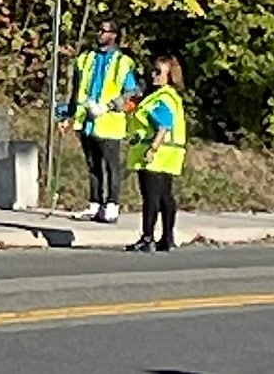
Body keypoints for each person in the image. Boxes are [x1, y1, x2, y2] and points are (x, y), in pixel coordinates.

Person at [56, 17, 139, 223]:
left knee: (111, 166)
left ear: (114, 35)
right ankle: (95, 203)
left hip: (109, 122)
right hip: (87, 121)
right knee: (92, 165)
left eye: (104, 31)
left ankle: (112, 204)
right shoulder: (85, 58)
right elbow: (77, 91)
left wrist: (109, 106)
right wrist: (68, 115)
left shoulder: (123, 62)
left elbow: (132, 92)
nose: (100, 34)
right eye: (99, 30)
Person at [125, 54, 187, 253]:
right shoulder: (171, 96)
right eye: (153, 70)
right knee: (165, 196)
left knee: (151, 197)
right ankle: (167, 238)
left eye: (159, 72)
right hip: (170, 153)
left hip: (155, 153)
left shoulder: (160, 98)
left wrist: (152, 149)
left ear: (170, 76)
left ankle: (147, 237)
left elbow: (164, 125)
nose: (153, 75)